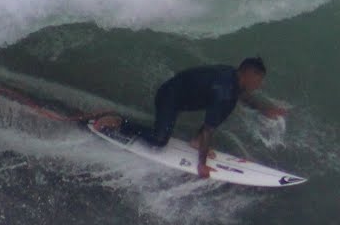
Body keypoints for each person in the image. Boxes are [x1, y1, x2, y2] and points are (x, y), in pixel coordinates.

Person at [91, 57, 287, 178]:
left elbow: (241, 95)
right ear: (247, 74)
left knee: (228, 103)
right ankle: (118, 122)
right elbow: (210, 128)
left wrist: (264, 109)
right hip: (169, 97)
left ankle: (196, 140)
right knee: (159, 142)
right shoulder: (225, 91)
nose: (259, 85)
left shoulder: (232, 77)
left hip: (182, 94)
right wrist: (202, 164)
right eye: (258, 80)